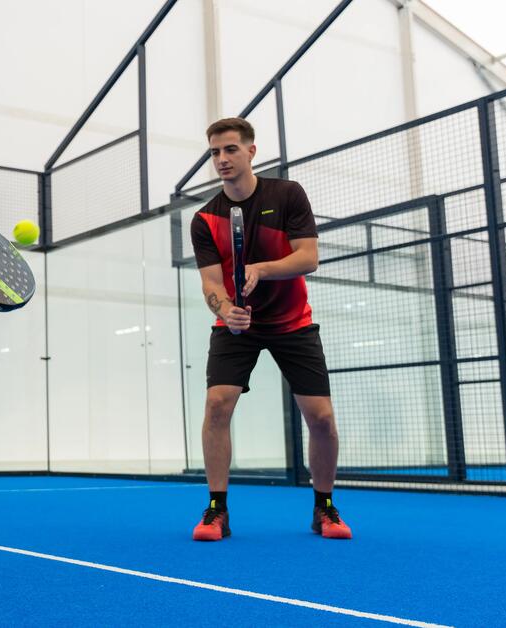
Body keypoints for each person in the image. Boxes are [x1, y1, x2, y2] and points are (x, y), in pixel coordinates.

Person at [188, 117, 352, 542]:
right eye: (215, 153)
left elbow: (308, 258)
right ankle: (216, 510)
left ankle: (325, 507)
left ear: (251, 151)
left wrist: (260, 268)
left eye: (230, 150)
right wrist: (225, 308)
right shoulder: (205, 219)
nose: (222, 159)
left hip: (292, 322)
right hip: (236, 324)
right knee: (217, 405)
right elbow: (210, 281)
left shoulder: (287, 194)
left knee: (321, 418)